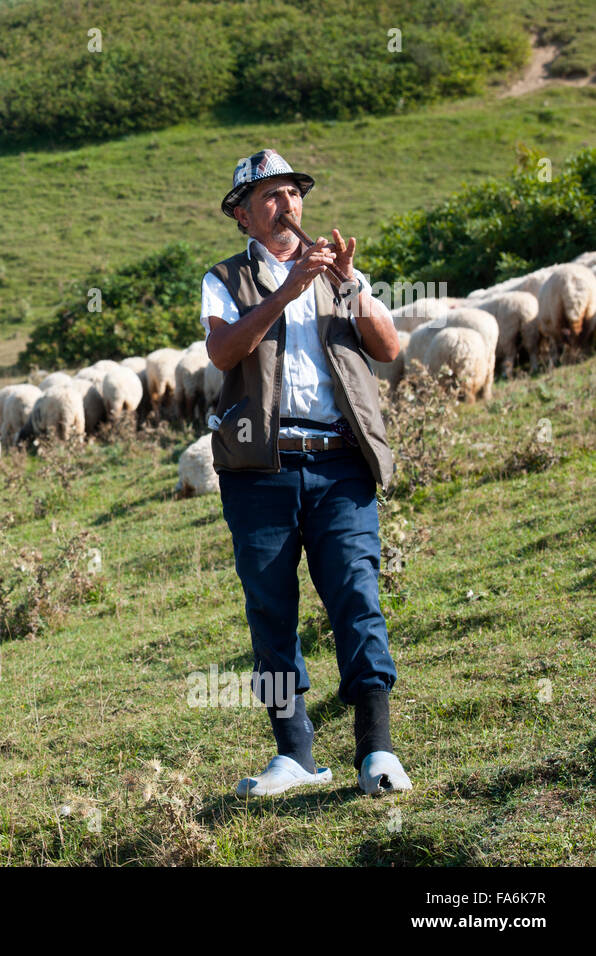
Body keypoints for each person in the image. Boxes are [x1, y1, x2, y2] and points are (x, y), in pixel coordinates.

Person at [202, 148, 413, 797]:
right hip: (258, 470)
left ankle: (376, 751)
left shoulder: (338, 270)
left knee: (357, 595)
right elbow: (223, 349)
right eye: (267, 196)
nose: (284, 204)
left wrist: (350, 287)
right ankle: (293, 754)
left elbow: (389, 348)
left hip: (338, 463)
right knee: (269, 611)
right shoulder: (223, 279)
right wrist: (286, 294)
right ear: (242, 216)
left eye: (291, 192)